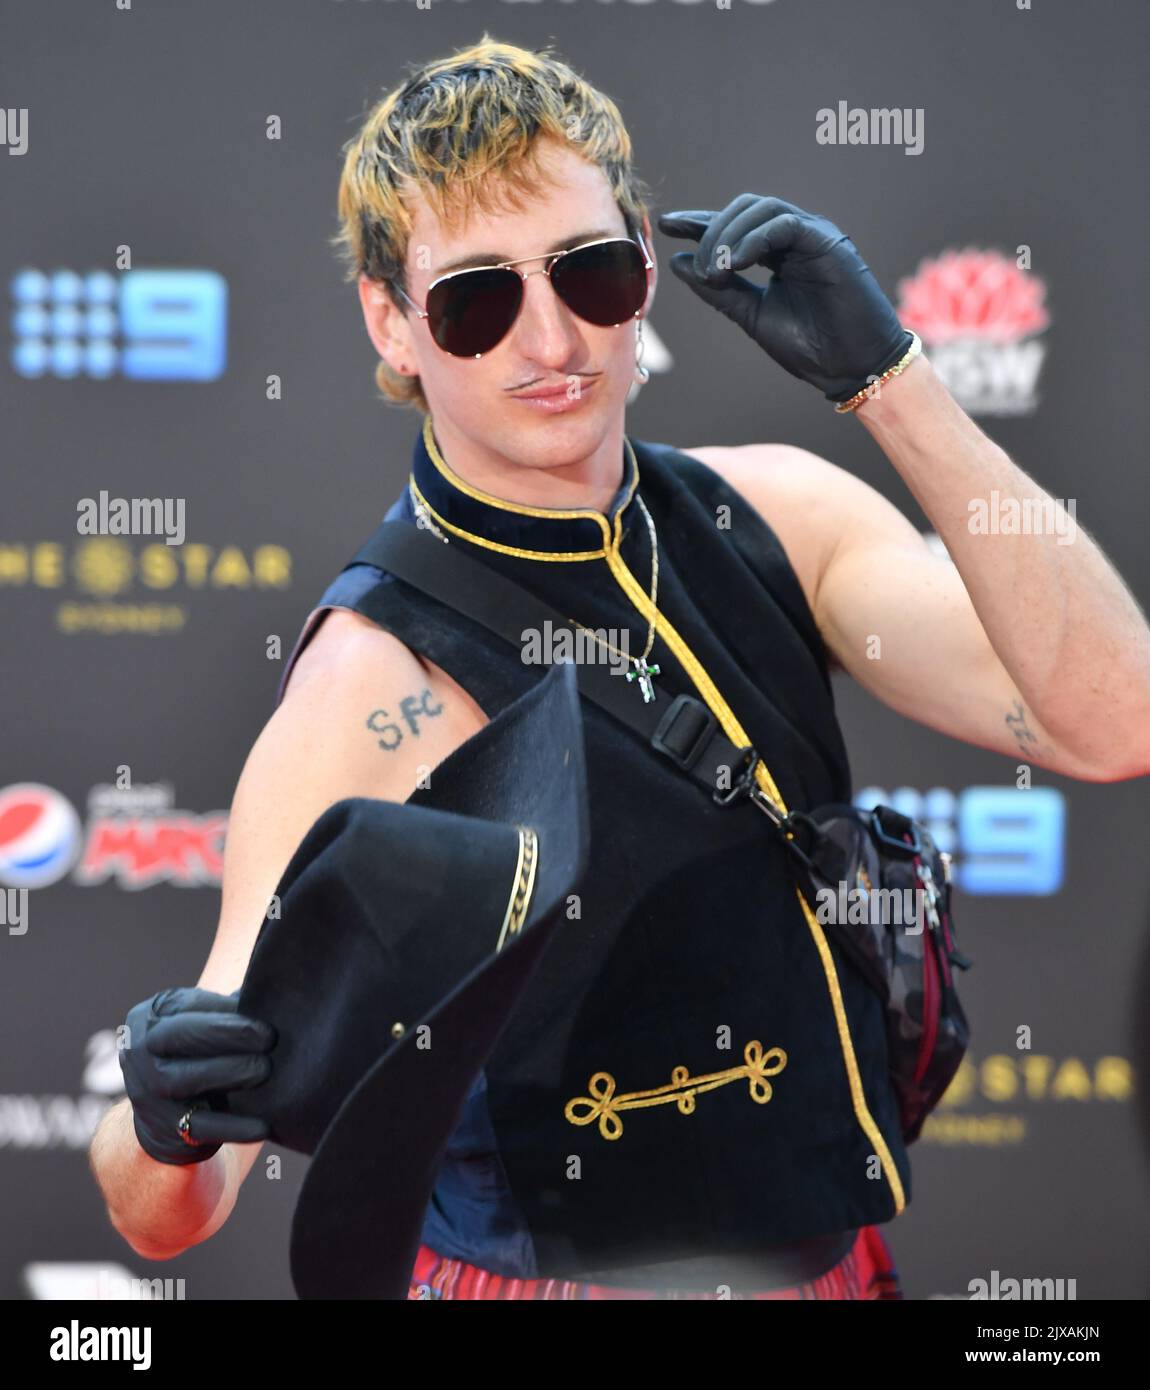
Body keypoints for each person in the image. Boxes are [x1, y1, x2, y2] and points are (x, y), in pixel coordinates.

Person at [89, 34, 1150, 1301]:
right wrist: (162, 1118)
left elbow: (1113, 718)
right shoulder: (367, 695)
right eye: (477, 300)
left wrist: (891, 383)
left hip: (835, 1271)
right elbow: (172, 1211)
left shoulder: (775, 514)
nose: (552, 337)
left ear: (644, 260)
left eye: (588, 271)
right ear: (391, 319)